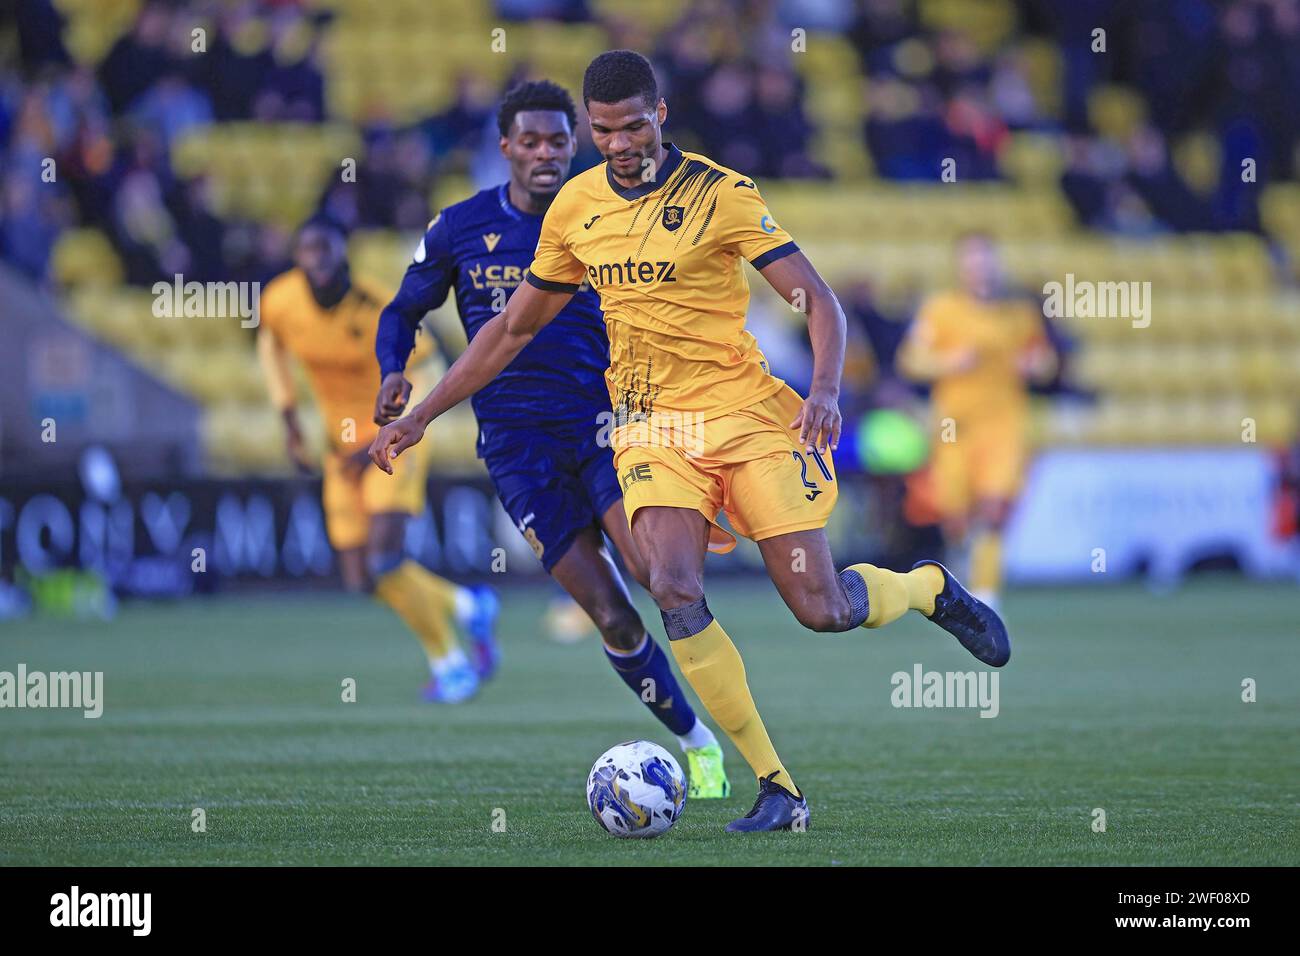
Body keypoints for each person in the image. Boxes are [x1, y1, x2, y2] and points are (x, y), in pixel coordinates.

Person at [370, 52, 1010, 832]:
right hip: (650, 427)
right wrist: (422, 414)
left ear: (661, 113)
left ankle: (928, 588)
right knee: (671, 586)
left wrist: (826, 390)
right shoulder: (575, 209)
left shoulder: (721, 194)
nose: (620, 143)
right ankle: (778, 786)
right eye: (604, 130)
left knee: (821, 608)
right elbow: (511, 330)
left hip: (744, 415)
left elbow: (820, 301)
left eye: (633, 125)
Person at [372, 81, 730, 799]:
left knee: (665, 581)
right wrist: (392, 372)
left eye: (557, 141)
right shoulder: (459, 228)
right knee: (611, 613)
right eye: (529, 141)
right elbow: (402, 308)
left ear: (577, 144)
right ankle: (697, 742)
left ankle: (731, 745)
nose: (544, 153)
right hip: (516, 449)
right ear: (504, 147)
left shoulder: (610, 217)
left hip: (607, 429)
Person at [258, 215, 498, 703]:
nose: (318, 259)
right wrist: (288, 421)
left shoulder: (376, 306)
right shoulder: (280, 300)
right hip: (337, 449)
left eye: (326, 249)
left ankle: (449, 664)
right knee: (361, 576)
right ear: (297, 258)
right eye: (308, 250)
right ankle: (467, 606)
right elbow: (270, 347)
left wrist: (401, 426)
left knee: (386, 557)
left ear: (343, 253)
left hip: (390, 439)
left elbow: (428, 362)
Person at [898, 232, 1057, 611]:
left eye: (986, 259)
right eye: (972, 260)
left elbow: (1046, 363)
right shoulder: (940, 311)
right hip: (954, 429)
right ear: (961, 267)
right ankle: (960, 575)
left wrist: (1035, 366)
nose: (980, 267)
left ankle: (986, 593)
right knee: (957, 516)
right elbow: (910, 360)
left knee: (995, 507)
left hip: (1005, 426)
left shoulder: (1020, 315)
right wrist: (949, 362)